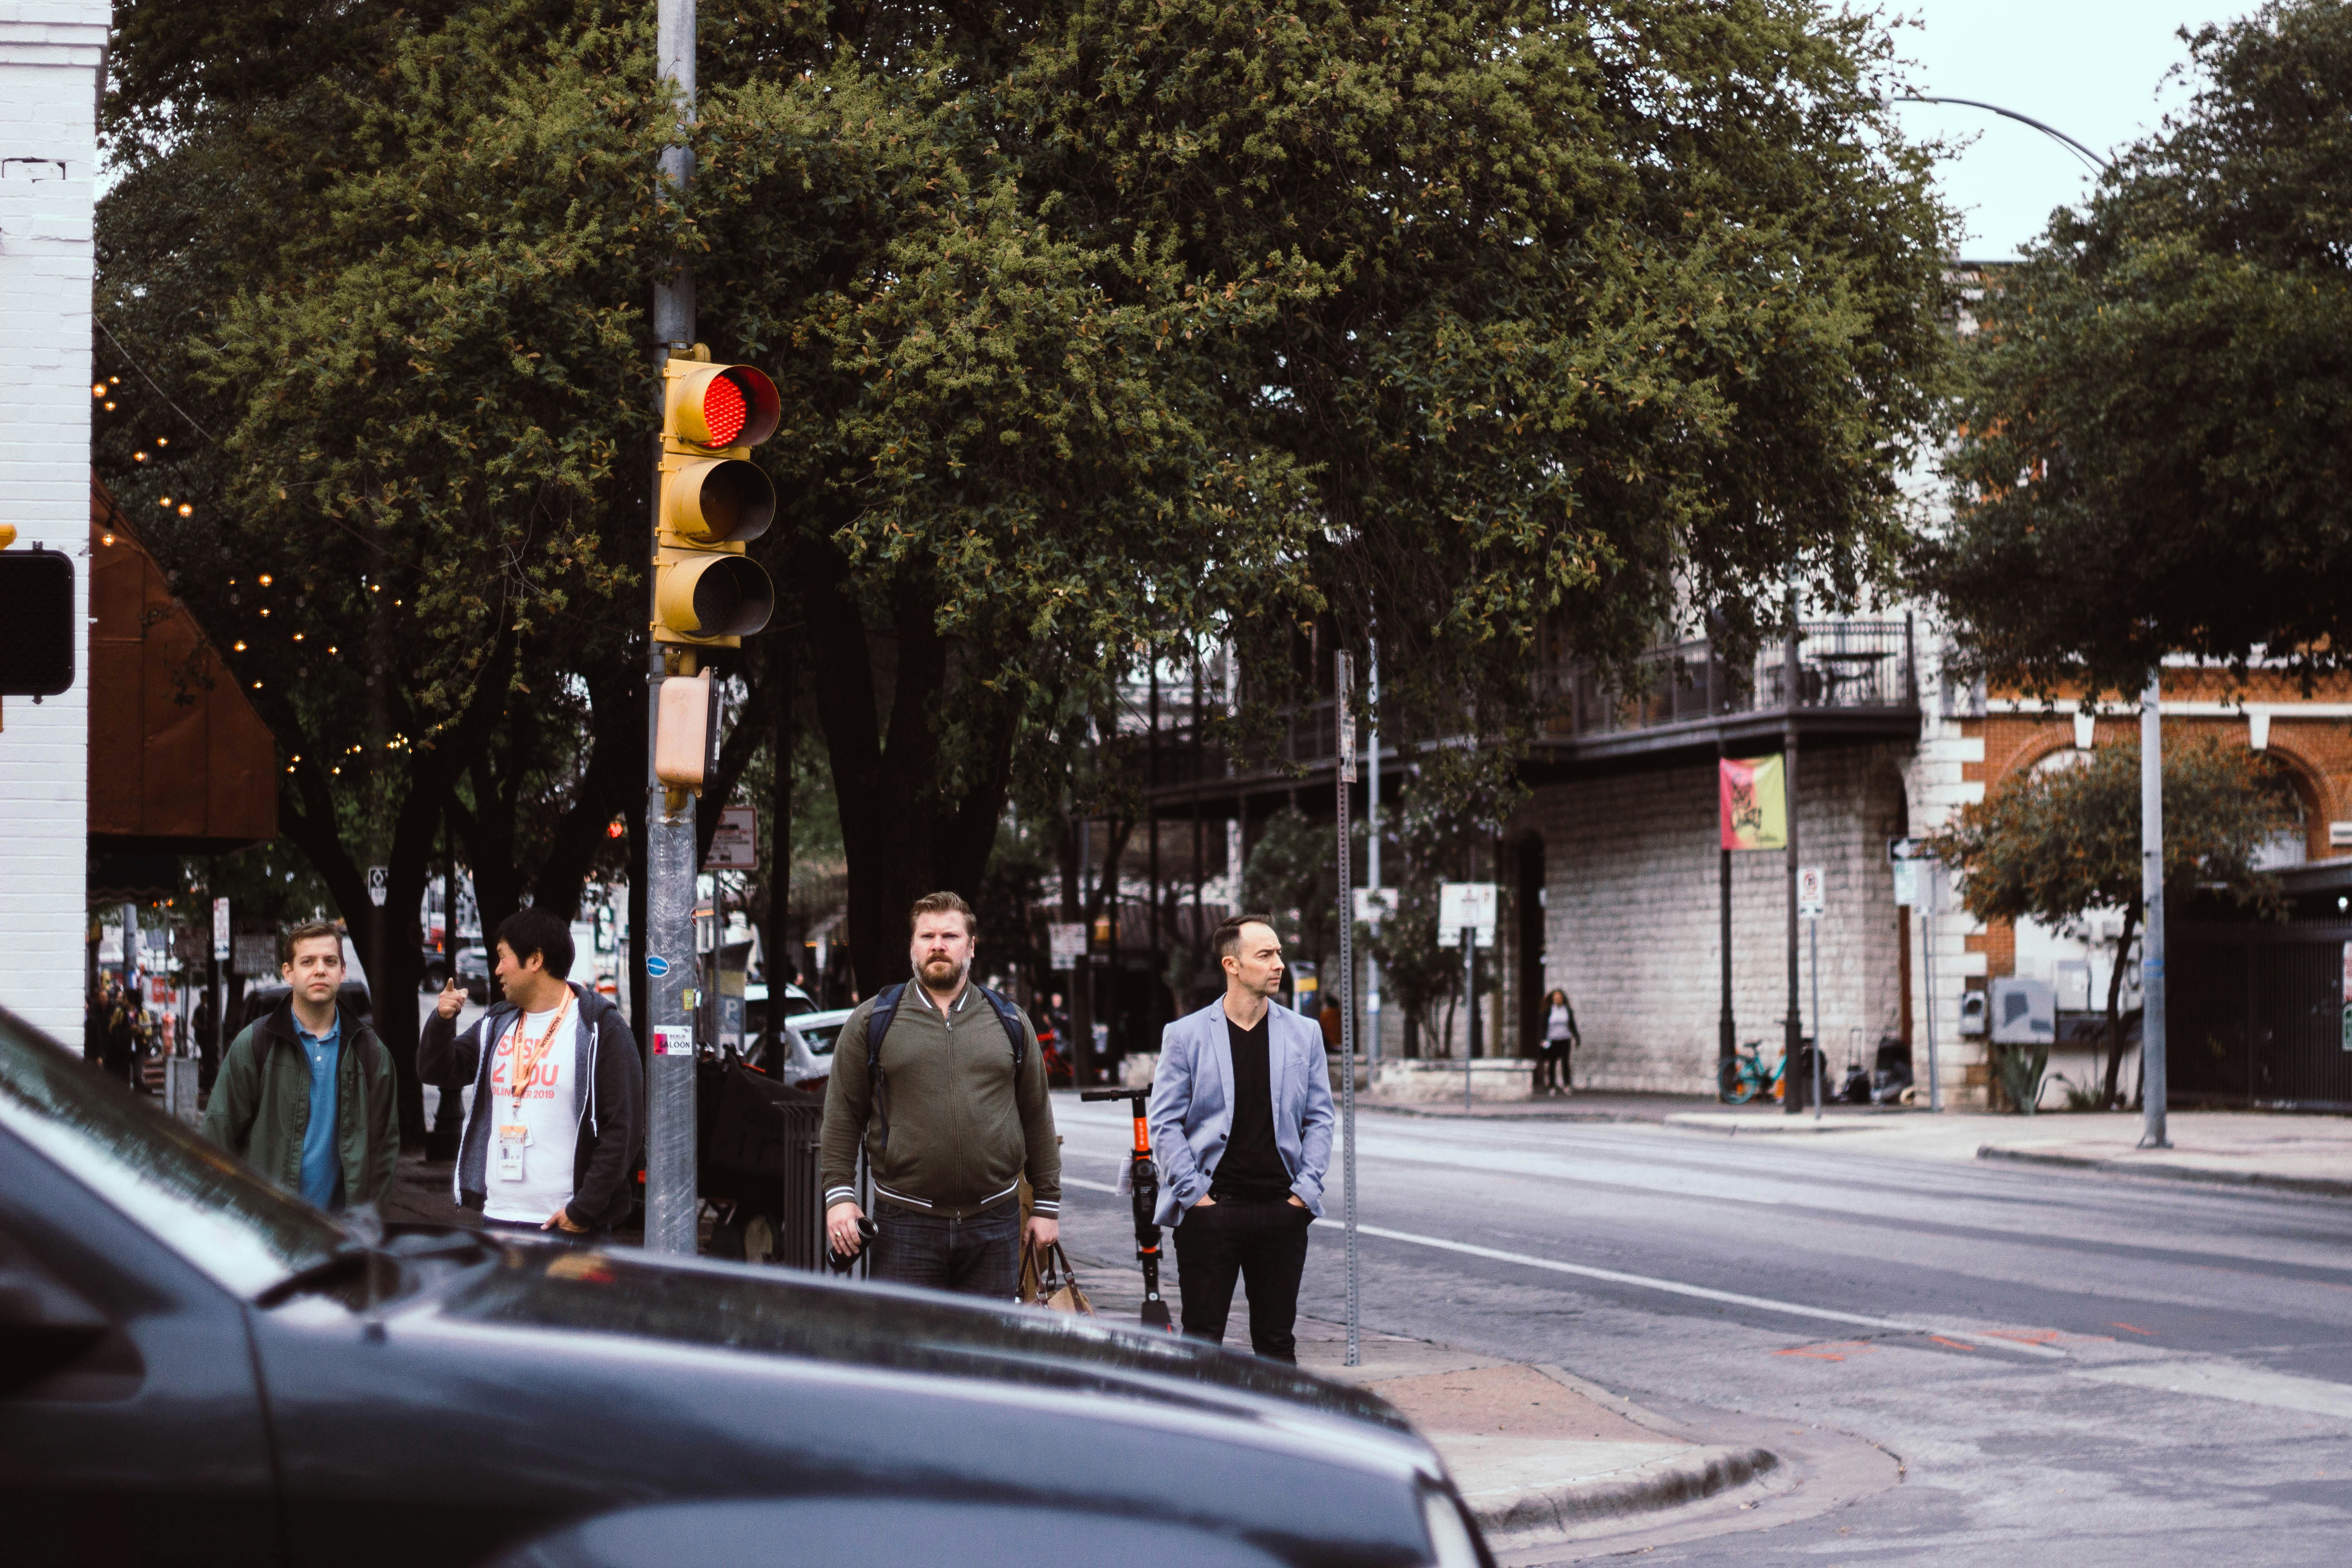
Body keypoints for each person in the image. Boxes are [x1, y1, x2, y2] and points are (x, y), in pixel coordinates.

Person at [820, 892, 1061, 1297]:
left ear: (970, 946)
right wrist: (839, 1197)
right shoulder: (873, 1021)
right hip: (905, 1224)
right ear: (912, 946)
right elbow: (842, 1116)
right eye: (926, 936)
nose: (938, 945)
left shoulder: (1009, 1022)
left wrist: (1047, 1206)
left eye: (950, 936)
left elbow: (1037, 1115)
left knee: (984, 1355)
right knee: (905, 1357)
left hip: (995, 1222)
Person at [1147, 913, 1335, 1364]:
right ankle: (1200, 1435)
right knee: (1202, 1343)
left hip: (1281, 1212)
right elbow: (1165, 1123)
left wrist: (1303, 1195)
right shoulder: (1186, 1035)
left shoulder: (1304, 1034)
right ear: (1232, 965)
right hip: (1212, 1212)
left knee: (1276, 1345)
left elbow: (1320, 1118)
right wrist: (1196, 1197)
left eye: (1279, 954)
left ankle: (1273, 1435)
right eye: (1265, 955)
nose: (1278, 965)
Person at [421, 907, 644, 1241]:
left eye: (502, 957)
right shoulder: (498, 1025)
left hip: (566, 1228)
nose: (496, 970)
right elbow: (438, 1069)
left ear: (535, 960)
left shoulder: (600, 1028)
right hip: (498, 1221)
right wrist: (441, 1022)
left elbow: (623, 1129)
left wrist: (583, 1209)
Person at [202, 921, 398, 1211]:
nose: (320, 970)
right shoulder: (254, 1044)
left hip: (340, 1237)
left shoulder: (371, 1053)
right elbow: (218, 1137)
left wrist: (368, 1226)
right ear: (289, 973)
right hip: (267, 1228)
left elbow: (384, 1151)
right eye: (308, 961)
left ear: (343, 972)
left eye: (330, 961)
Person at [1539, 987, 1581, 1096]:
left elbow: (1572, 1025)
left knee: (1565, 1062)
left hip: (1565, 1039)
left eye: (1560, 998)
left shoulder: (1567, 1010)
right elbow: (1543, 1026)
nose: (1558, 1000)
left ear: (1563, 999)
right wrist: (1543, 1039)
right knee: (1552, 1063)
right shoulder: (1549, 1011)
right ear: (1553, 999)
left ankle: (1567, 1085)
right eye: (1556, 998)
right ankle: (1552, 1086)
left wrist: (1576, 1037)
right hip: (1552, 1040)